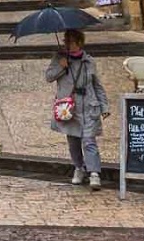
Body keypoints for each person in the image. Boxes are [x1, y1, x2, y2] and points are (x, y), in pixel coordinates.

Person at [46, 28, 110, 191]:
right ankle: (79, 168)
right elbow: (48, 77)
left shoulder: (89, 61)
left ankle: (94, 172)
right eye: (66, 41)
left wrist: (104, 106)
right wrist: (61, 67)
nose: (68, 45)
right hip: (69, 107)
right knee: (73, 140)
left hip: (89, 104)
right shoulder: (59, 58)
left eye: (72, 42)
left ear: (79, 43)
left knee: (89, 139)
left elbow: (97, 85)